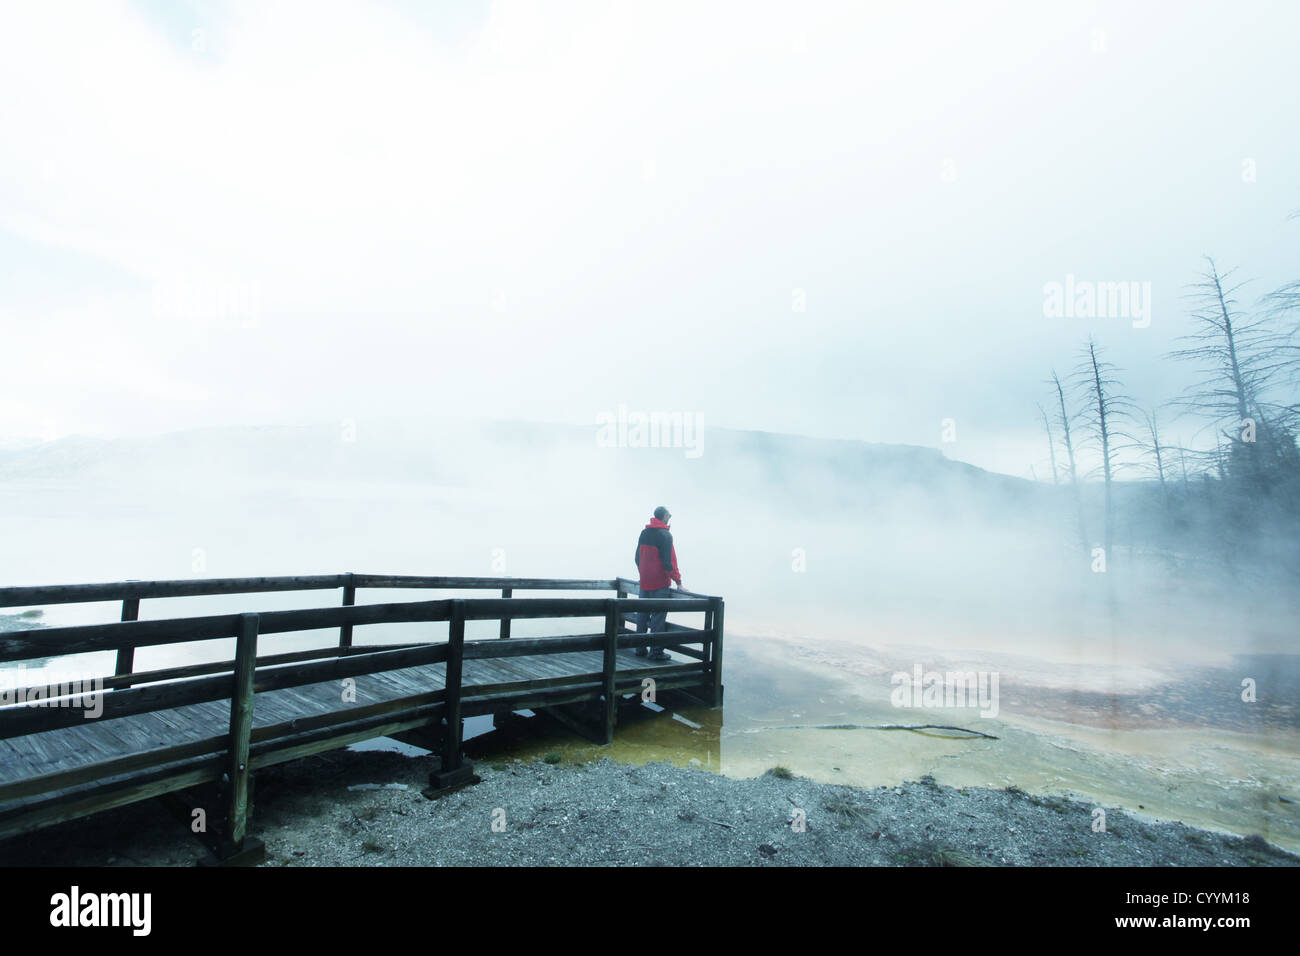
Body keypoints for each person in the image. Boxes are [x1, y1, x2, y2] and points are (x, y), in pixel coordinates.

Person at [634, 506, 682, 660]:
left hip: (644, 582)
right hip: (660, 583)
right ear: (664, 517)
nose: (670, 517)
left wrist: (643, 574)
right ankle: (656, 652)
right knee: (658, 618)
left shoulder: (644, 532)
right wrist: (678, 582)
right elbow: (668, 563)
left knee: (642, 615)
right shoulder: (665, 535)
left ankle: (640, 649)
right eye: (669, 515)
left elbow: (637, 558)